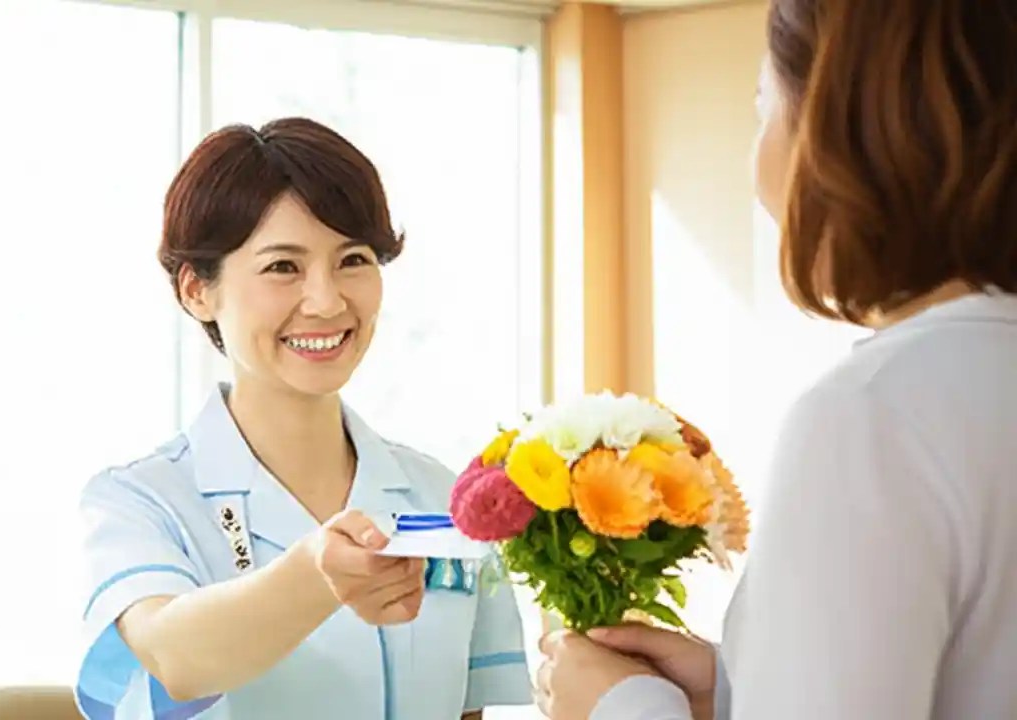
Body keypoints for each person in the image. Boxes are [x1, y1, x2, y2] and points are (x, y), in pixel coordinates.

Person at [535, 0, 1017, 718]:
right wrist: (736, 688)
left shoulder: (870, 417)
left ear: (837, 132)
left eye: (764, 107)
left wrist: (623, 707)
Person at [74, 117, 532, 720]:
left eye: (353, 259)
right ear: (196, 291)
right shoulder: (139, 501)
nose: (327, 301)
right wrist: (318, 575)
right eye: (283, 267)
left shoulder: (442, 496)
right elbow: (175, 660)